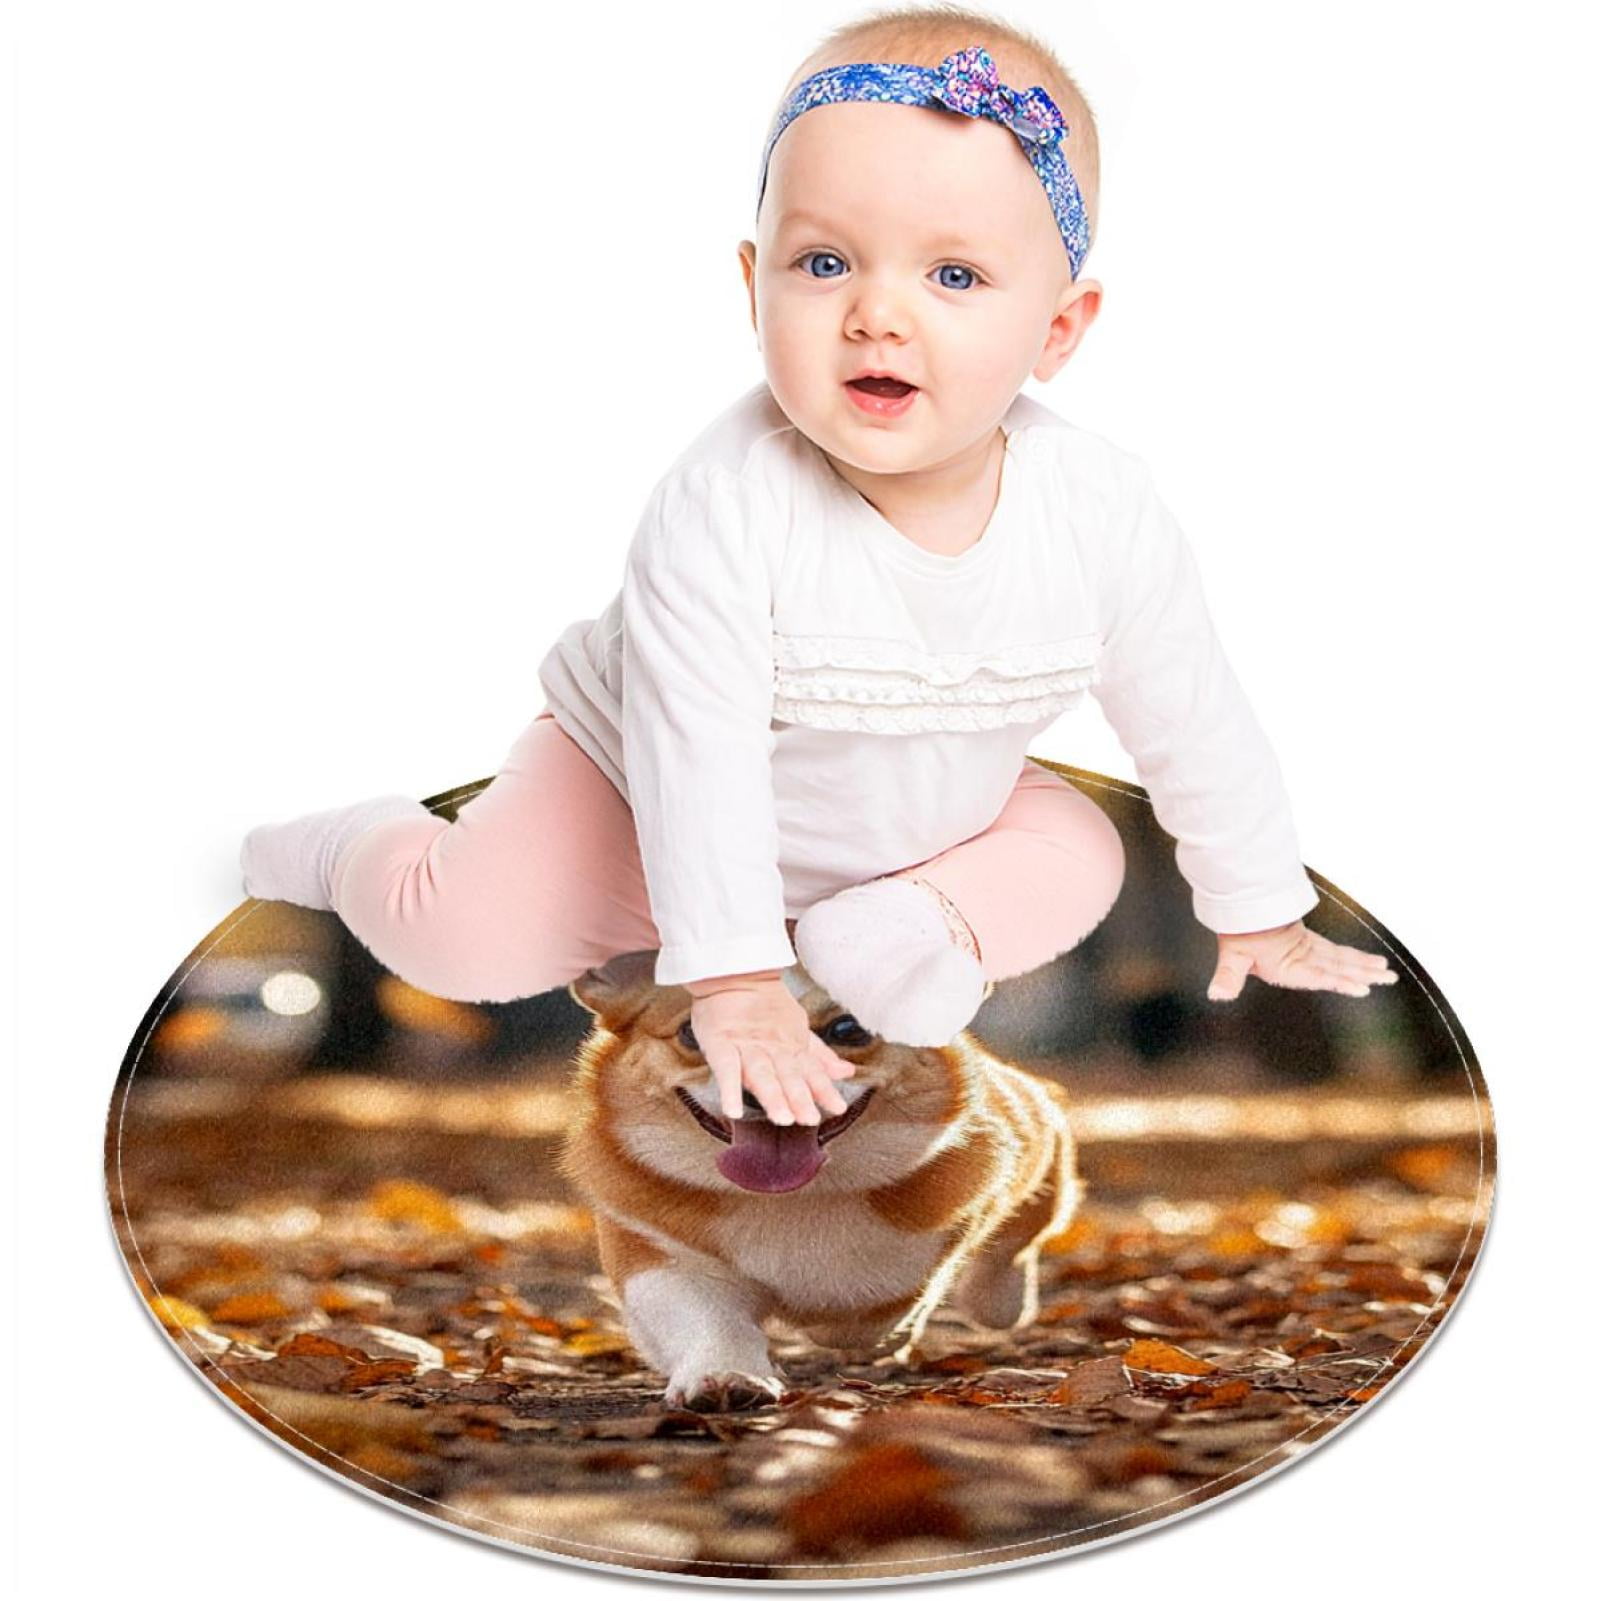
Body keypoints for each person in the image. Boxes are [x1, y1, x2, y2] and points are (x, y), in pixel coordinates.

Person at [239, 13, 1396, 1136]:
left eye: (953, 276)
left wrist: (1257, 903)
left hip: (909, 824)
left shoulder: (1099, 509)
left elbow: (1191, 714)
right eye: (825, 261)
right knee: (468, 937)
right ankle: (350, 844)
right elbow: (700, 750)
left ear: (1058, 327)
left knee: (1083, 848)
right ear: (753, 288)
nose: (874, 315)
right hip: (634, 792)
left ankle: (893, 927)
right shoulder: (725, 502)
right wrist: (734, 981)